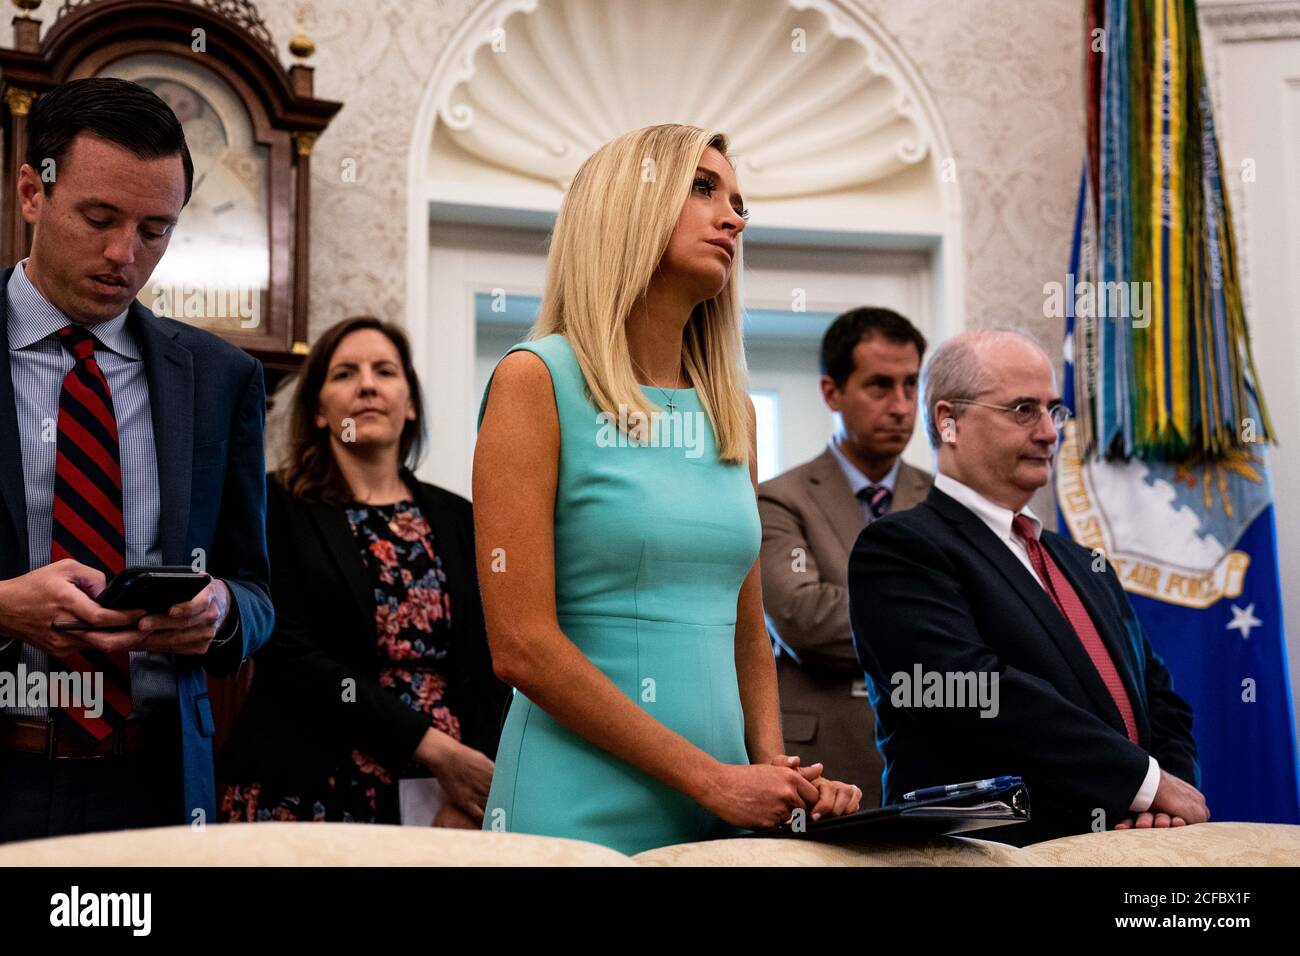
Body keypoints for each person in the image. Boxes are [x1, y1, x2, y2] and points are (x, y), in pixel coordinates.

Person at [474, 124, 862, 854]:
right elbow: (520, 646)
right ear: (625, 206)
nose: (734, 217)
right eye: (703, 187)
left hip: (724, 810)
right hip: (578, 807)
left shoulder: (730, 411)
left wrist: (775, 771)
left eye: (739, 200)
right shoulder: (536, 378)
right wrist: (709, 777)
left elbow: (750, 630)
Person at [0, 77, 273, 840]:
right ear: (32, 192)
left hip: (155, 782)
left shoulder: (222, 380)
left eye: (156, 229)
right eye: (100, 217)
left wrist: (218, 611)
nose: (125, 254)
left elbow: (257, 591)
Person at [848, 328, 1206, 842]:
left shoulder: (1083, 562)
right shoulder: (900, 549)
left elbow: (1160, 698)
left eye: (1053, 411)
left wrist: (1167, 797)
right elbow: (972, 691)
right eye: (1023, 410)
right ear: (949, 422)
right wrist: (1143, 783)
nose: (1048, 432)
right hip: (987, 852)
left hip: (1130, 844)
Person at [221, 317, 507, 826]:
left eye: (386, 371)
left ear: (411, 403)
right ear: (318, 411)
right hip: (307, 786)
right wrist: (433, 747)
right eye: (345, 374)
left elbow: (491, 662)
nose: (368, 385)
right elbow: (287, 650)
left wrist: (474, 781)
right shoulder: (275, 506)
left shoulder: (460, 518)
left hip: (445, 797)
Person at [758, 307, 932, 803]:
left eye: (910, 385)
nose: (900, 406)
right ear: (831, 392)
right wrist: (934, 621)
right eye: (880, 386)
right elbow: (805, 620)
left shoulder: (943, 499)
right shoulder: (778, 497)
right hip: (821, 766)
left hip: (929, 764)